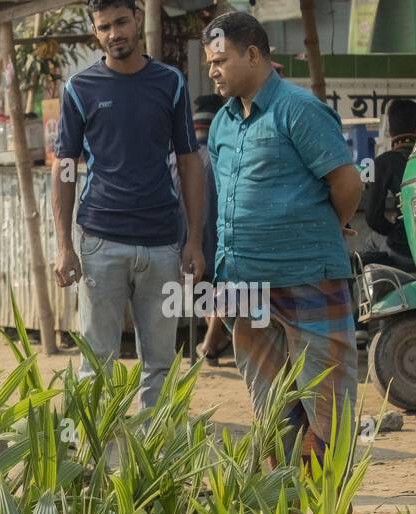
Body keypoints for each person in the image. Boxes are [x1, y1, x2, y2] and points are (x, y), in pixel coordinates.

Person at [205, 11, 362, 464]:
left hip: (308, 278)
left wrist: (319, 230)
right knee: (273, 408)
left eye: (221, 60)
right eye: (210, 62)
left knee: (327, 406)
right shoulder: (223, 124)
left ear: (253, 55)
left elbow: (347, 184)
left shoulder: (299, 110)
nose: (213, 69)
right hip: (244, 286)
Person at [52, 0, 206, 410]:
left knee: (160, 363)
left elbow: (189, 160)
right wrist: (64, 245)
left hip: (162, 244)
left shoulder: (170, 83)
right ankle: (91, 457)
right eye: (104, 27)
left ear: (138, 20)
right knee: (96, 362)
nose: (114, 33)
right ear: (95, 33)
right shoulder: (80, 89)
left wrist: (193, 240)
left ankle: (154, 462)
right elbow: (64, 166)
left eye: (121, 22)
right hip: (100, 242)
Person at [192, 92, 231, 365]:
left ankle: (212, 340)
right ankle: (212, 341)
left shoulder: (180, 156)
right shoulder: (224, 156)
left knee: (202, 288)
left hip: (189, 236)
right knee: (223, 287)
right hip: (222, 232)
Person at [362, 98, 416, 268]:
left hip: (403, 252)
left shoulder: (375, 163)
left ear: (390, 132)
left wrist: (396, 231)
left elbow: (372, 218)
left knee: (371, 241)